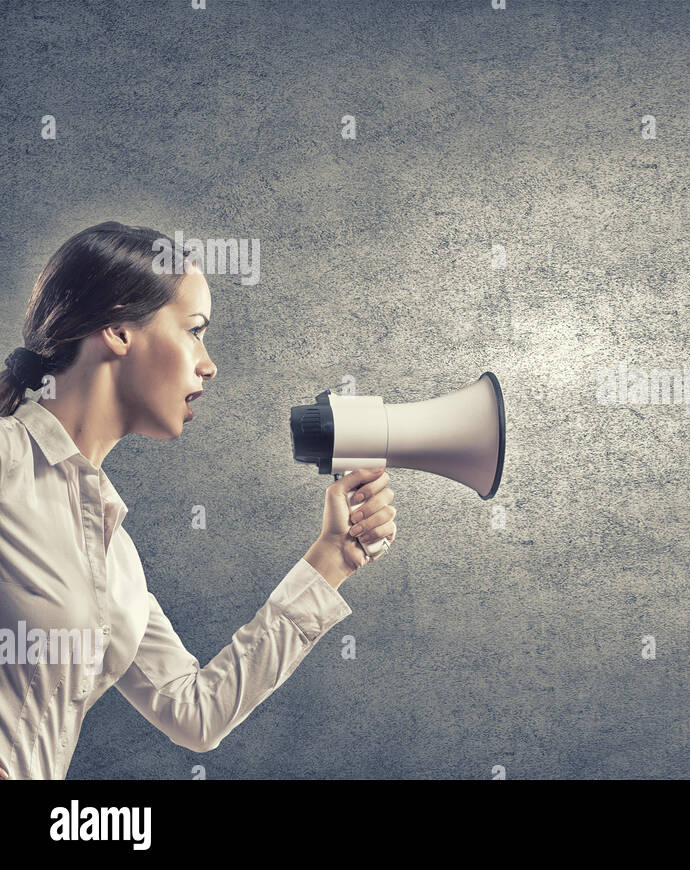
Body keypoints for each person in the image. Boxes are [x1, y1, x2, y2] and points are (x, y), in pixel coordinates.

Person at [0, 221, 397, 779]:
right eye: (194, 330)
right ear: (118, 329)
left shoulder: (114, 560)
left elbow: (195, 713)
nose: (208, 363)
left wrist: (333, 557)